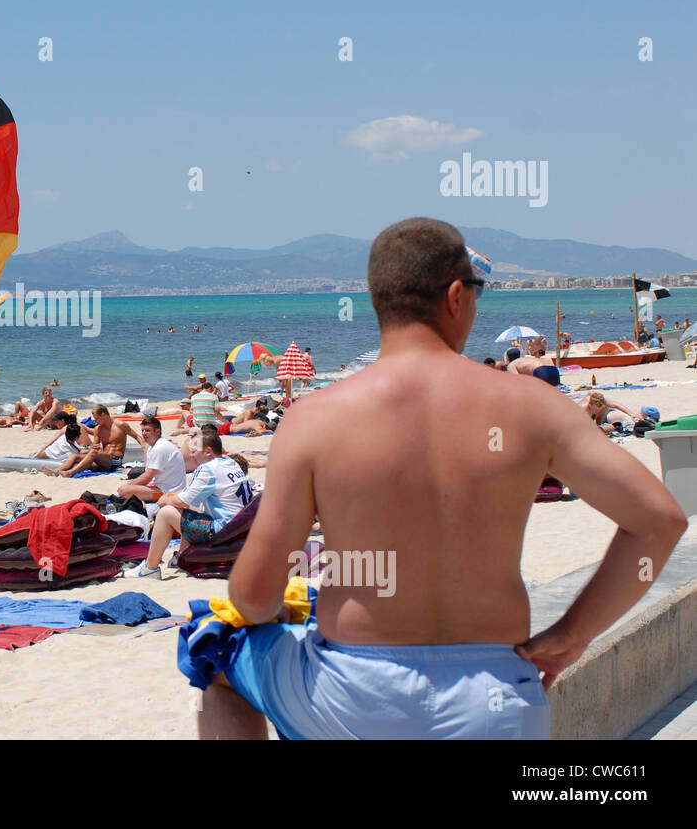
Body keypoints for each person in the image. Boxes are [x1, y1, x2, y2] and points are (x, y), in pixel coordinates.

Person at [199, 217, 686, 740]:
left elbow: (253, 596)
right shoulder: (532, 408)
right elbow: (659, 521)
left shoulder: (316, 417)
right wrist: (574, 634)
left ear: (379, 301)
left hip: (355, 700)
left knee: (217, 664)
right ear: (457, 295)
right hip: (496, 700)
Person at [125, 428, 249, 579]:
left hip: (223, 532)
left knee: (166, 513)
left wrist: (165, 499)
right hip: (241, 528)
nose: (191, 455)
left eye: (194, 451)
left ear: (208, 452)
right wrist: (171, 497)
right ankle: (182, 556)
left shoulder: (207, 469)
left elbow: (181, 501)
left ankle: (150, 568)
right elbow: (189, 495)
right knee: (191, 510)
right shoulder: (230, 463)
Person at [116, 416, 187, 504]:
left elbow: (148, 476)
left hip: (170, 492)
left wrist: (130, 485)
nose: (144, 433)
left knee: (124, 491)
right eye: (142, 430)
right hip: (163, 486)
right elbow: (148, 473)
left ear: (157, 432)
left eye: (147, 430)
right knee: (130, 485)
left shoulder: (159, 448)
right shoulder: (153, 447)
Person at [59, 405, 141, 477]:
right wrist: (90, 447)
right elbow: (94, 448)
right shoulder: (98, 429)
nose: (95, 421)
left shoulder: (120, 425)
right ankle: (57, 472)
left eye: (97, 418)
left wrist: (145, 446)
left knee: (93, 453)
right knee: (74, 456)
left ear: (103, 415)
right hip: (102, 462)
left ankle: (71, 472)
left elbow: (136, 436)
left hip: (114, 461)